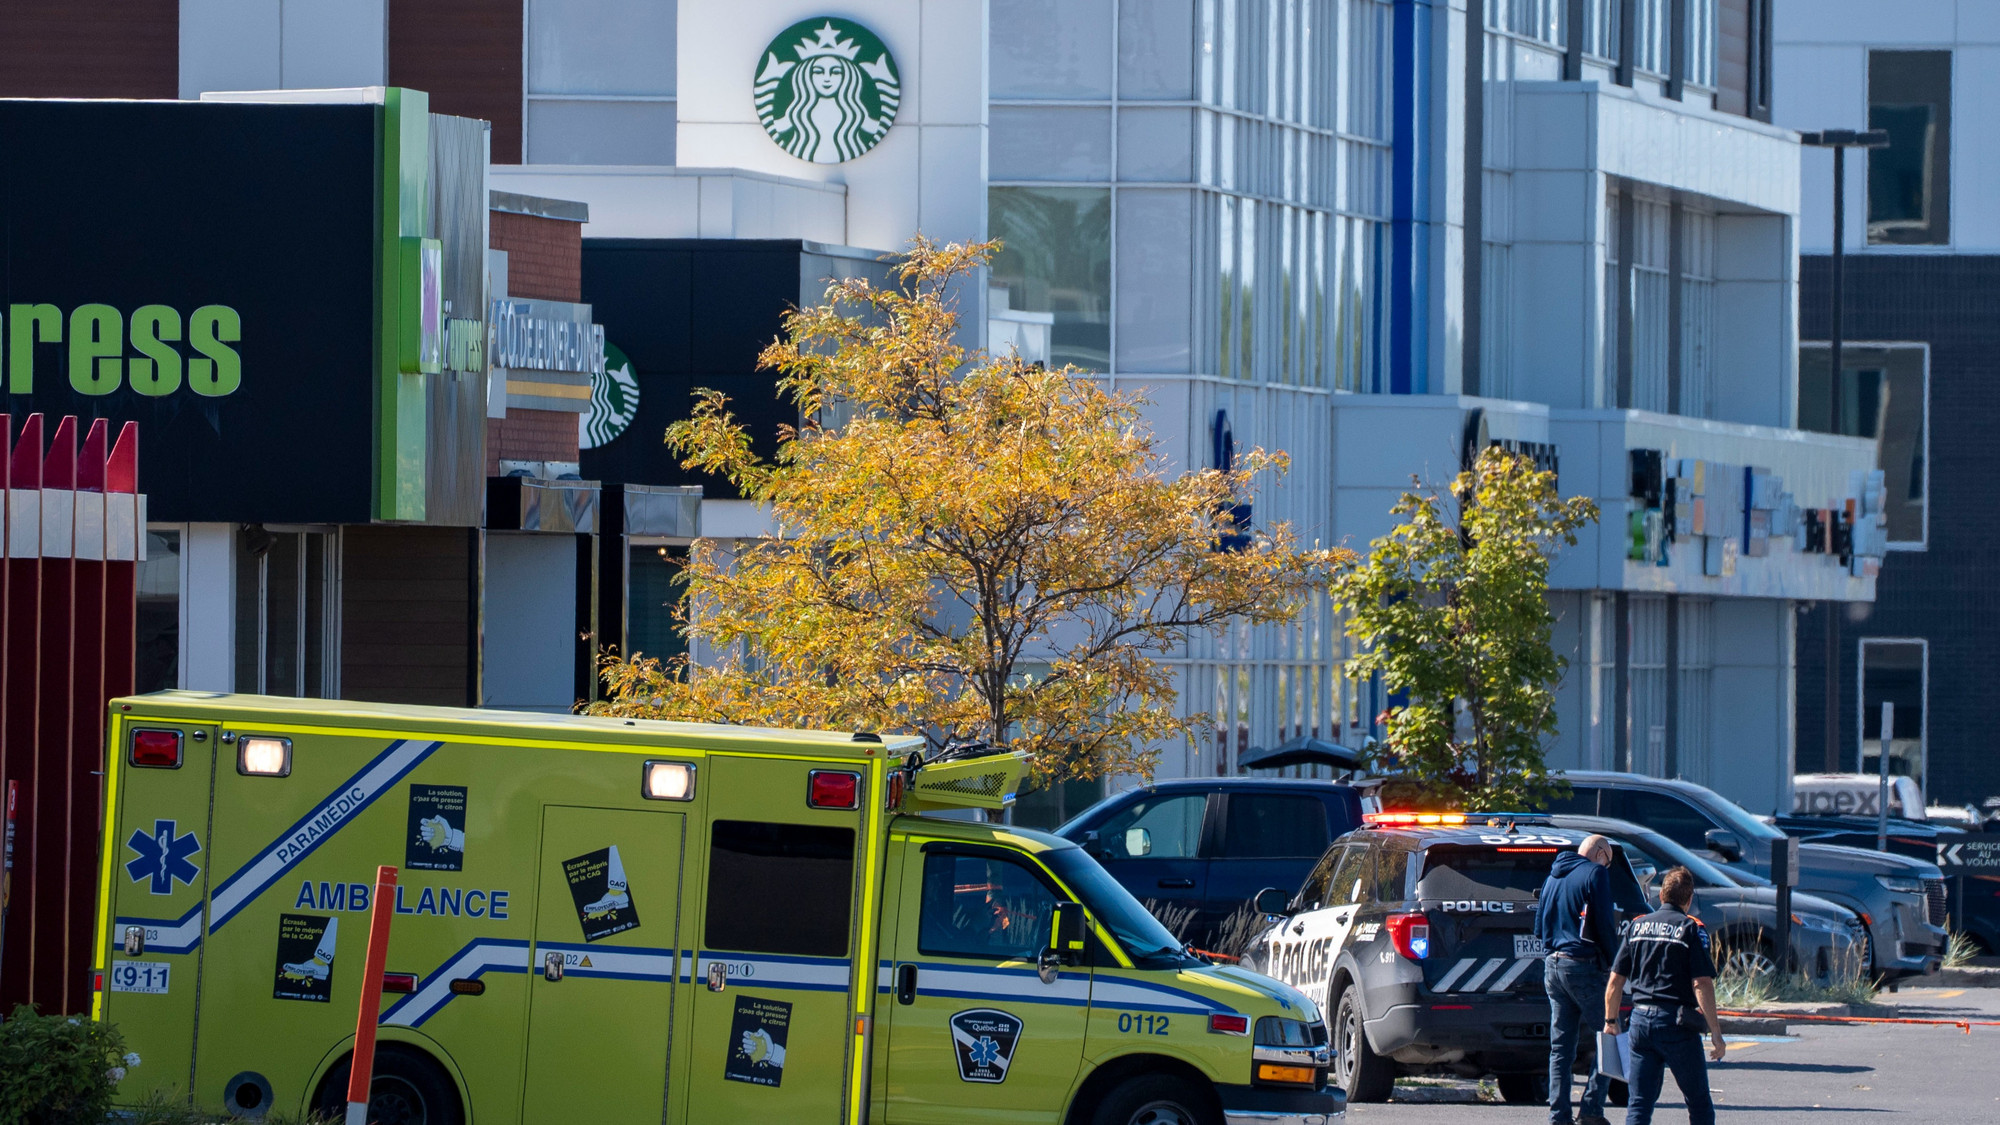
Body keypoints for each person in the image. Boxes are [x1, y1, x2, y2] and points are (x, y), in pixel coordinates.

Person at [1604, 866, 1725, 1125]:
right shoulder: (1690, 928)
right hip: (1676, 1024)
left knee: (1639, 1104)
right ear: (1689, 899)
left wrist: (1610, 1021)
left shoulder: (1637, 926)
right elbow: (1702, 983)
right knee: (1699, 1102)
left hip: (1640, 1021)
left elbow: (1615, 980)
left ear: (1661, 896)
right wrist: (1715, 1032)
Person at [1535, 834, 1621, 1125]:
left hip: (1553, 965)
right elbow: (1604, 923)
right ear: (1600, 854)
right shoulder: (1595, 873)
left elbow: (1539, 927)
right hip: (1583, 966)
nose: (1606, 868)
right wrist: (1615, 964)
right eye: (1607, 862)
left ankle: (1558, 1115)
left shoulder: (1552, 876)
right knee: (1611, 1035)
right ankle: (1592, 1109)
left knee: (1561, 1048)